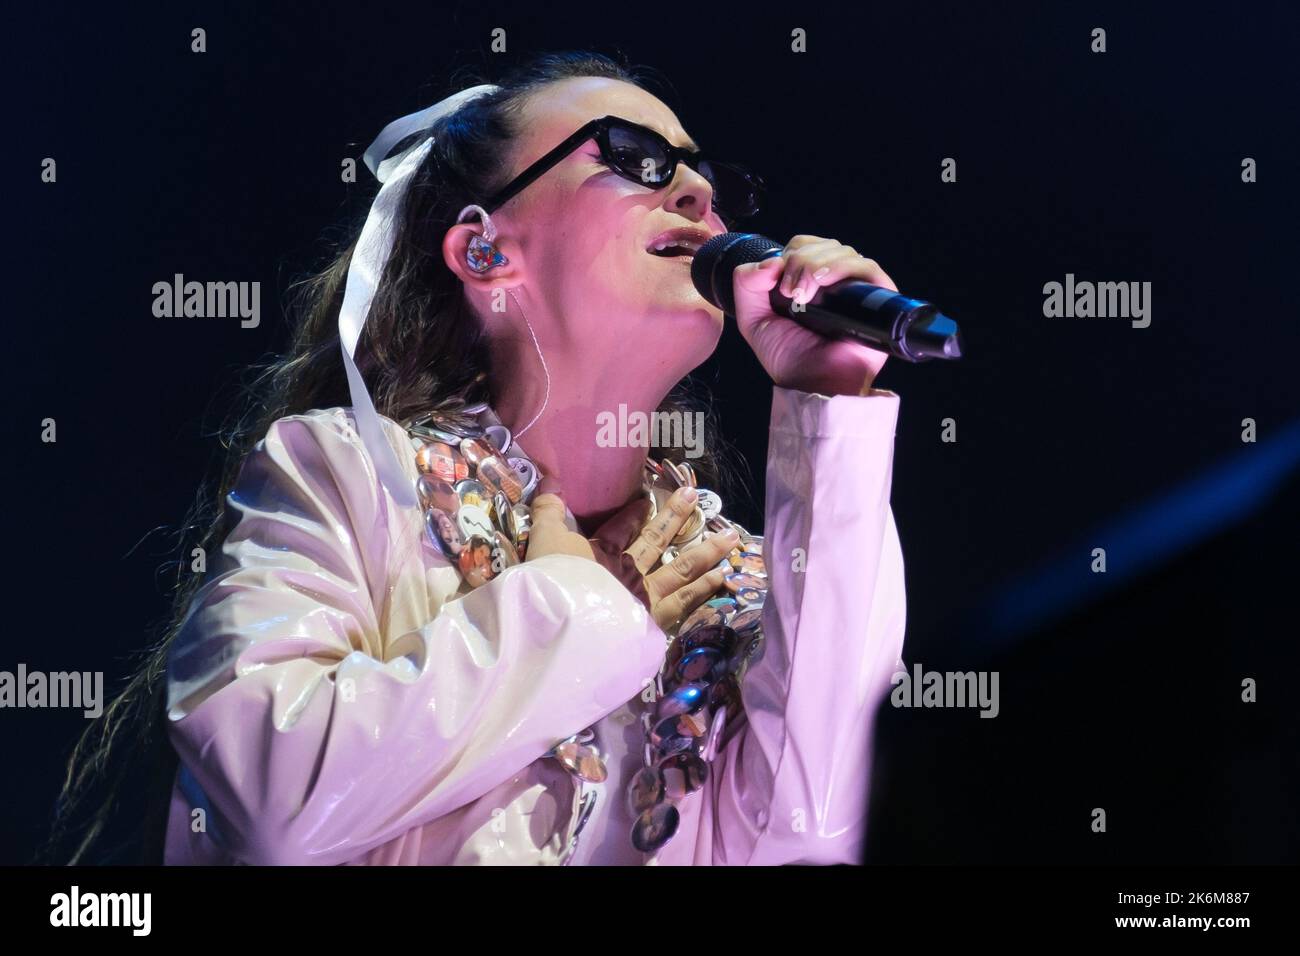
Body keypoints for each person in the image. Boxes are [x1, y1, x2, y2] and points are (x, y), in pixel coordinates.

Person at [59, 51, 907, 866]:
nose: (698, 193)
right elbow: (271, 798)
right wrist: (576, 611)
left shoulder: (732, 584)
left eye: (706, 178)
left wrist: (831, 407)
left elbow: (814, 830)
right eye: (635, 157)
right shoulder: (351, 480)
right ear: (485, 252)